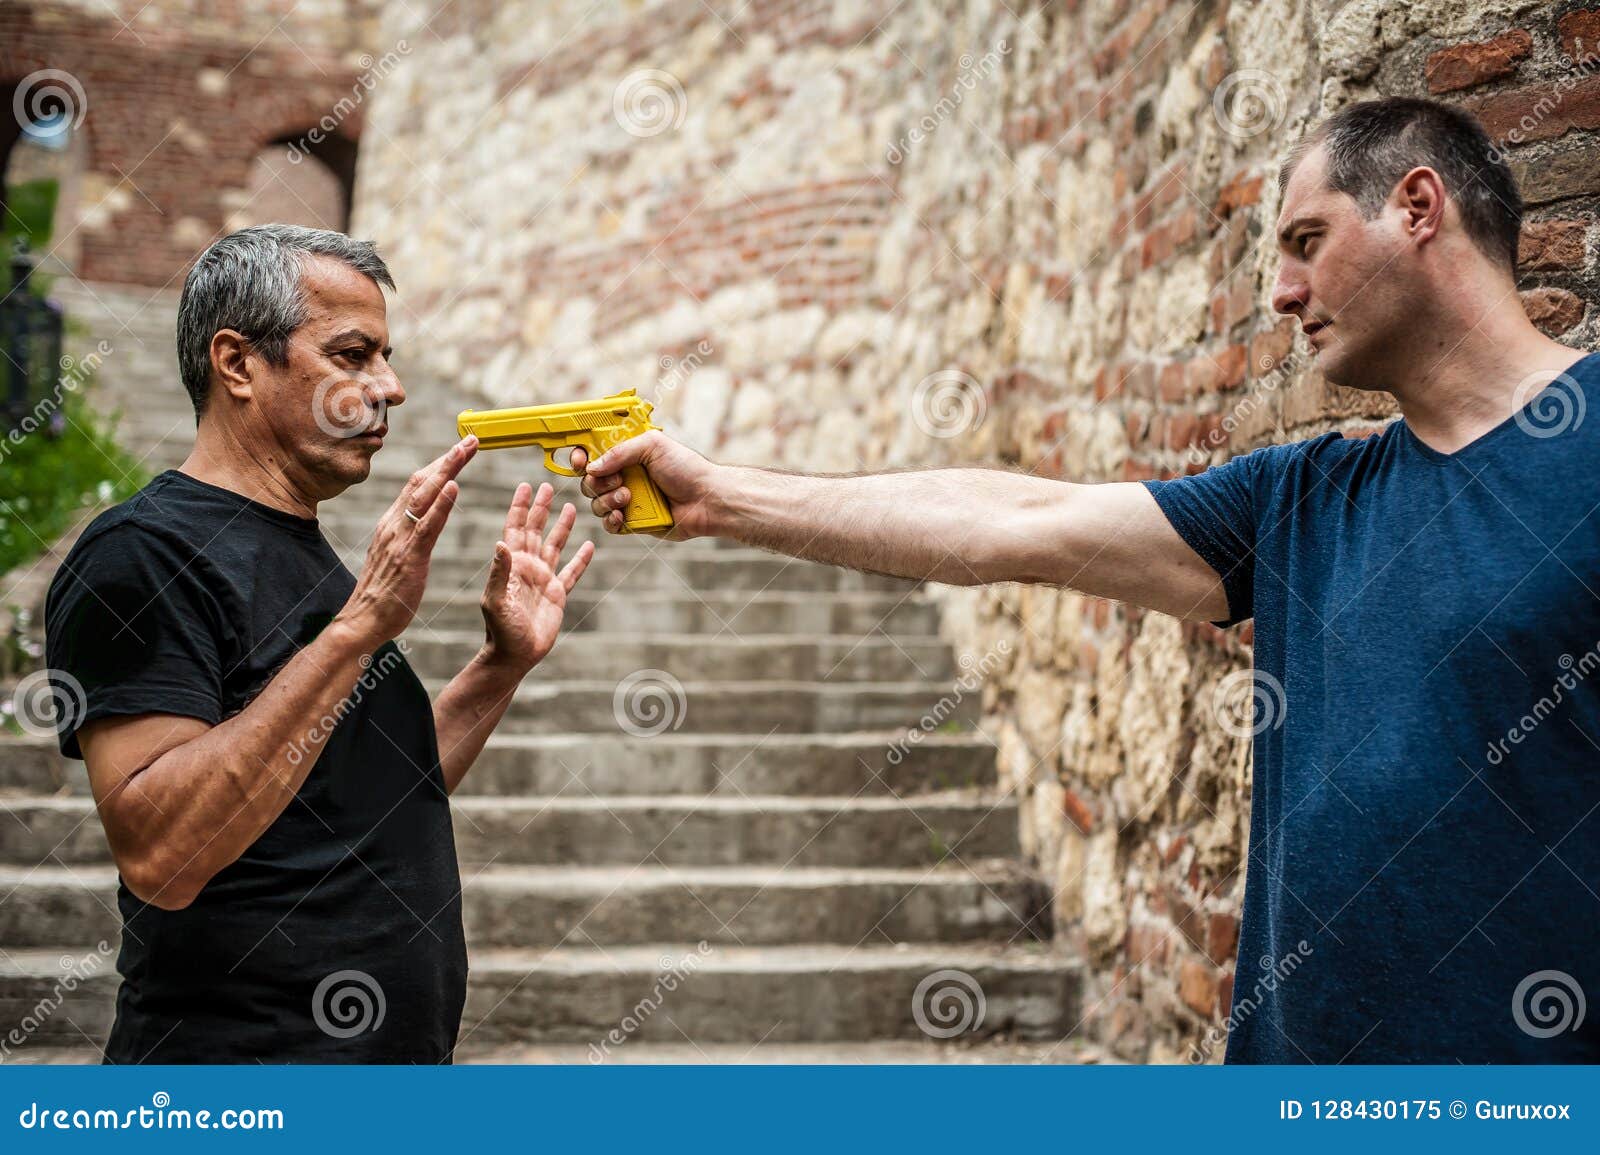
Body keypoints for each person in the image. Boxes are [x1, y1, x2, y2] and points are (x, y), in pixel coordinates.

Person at [574, 97, 1600, 1063]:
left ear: (1417, 208)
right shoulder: (1308, 499)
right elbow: (1019, 522)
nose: (1283, 293)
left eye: (1304, 242)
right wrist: (720, 500)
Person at [44, 224, 594, 1063]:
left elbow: (369, 791)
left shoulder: (304, 550)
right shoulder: (140, 553)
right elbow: (163, 853)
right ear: (237, 364)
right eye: (353, 354)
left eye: (387, 356)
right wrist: (359, 627)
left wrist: (500, 665)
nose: (393, 387)